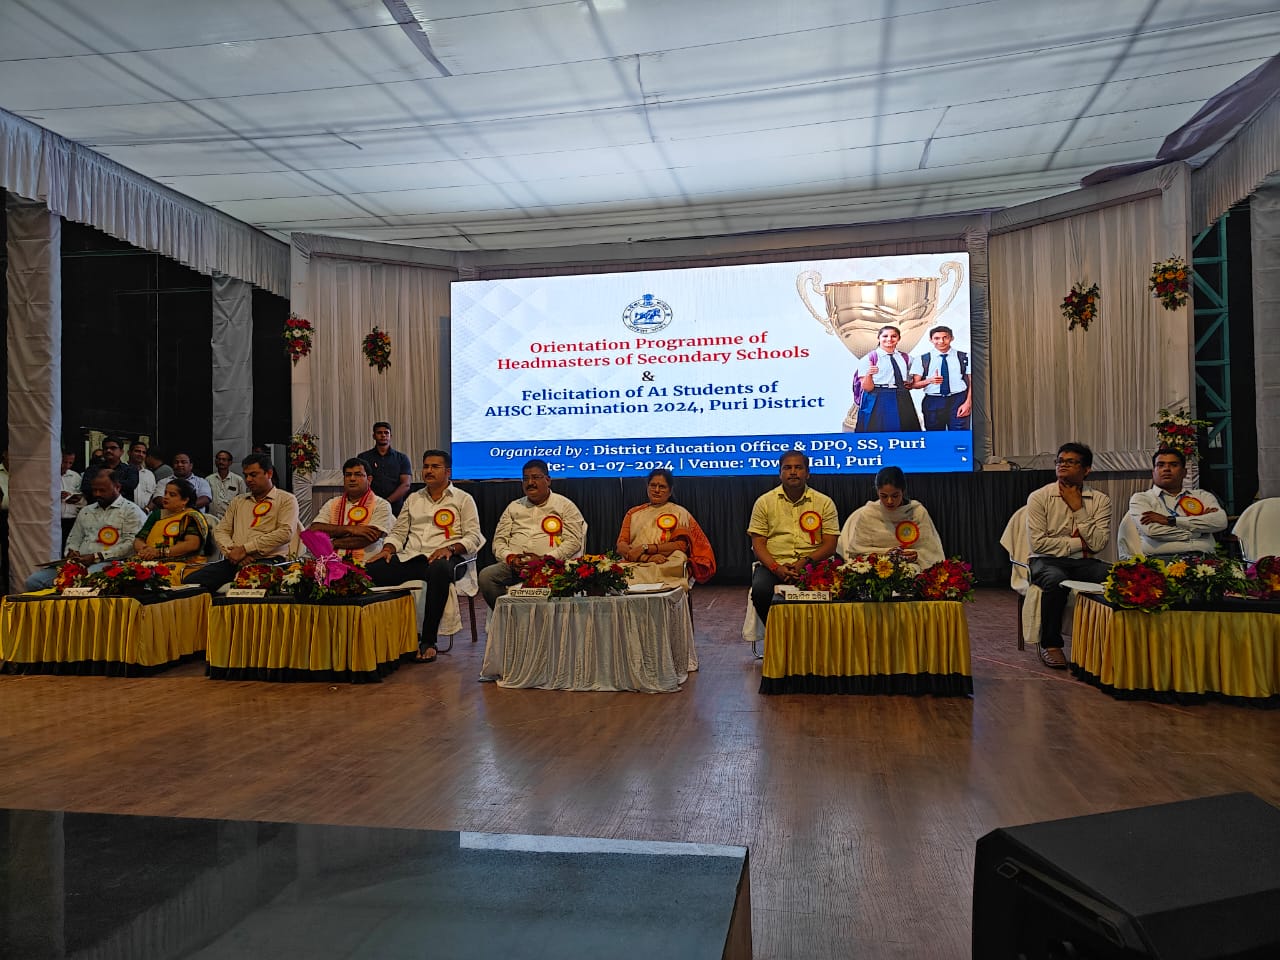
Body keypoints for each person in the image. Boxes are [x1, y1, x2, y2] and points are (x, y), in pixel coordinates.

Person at [366, 449, 484, 662]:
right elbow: (399, 532)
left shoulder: (463, 499)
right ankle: (389, 638)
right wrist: (387, 549)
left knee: (438, 569)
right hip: (414, 557)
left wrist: (450, 549)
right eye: (426, 466)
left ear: (448, 471)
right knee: (370, 570)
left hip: (451, 559)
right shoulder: (413, 499)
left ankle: (428, 639)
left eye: (435, 467)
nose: (428, 471)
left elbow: (473, 536)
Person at [1026, 442, 1111, 669]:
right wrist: (1081, 543)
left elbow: (1099, 544)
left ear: (1086, 470)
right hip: (1044, 560)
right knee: (1055, 579)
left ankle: (1103, 643)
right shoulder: (1039, 497)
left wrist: (1078, 509)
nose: (1062, 465)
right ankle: (1051, 644)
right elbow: (1039, 543)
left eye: (1071, 462)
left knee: (1115, 576)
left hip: (1083, 562)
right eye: (1060, 461)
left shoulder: (1101, 500)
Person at [748, 450, 840, 624]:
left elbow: (830, 545)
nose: (792, 472)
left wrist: (804, 562)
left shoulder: (824, 502)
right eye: (787, 468)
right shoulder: (764, 502)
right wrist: (777, 568)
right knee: (760, 591)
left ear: (808, 473)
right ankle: (778, 637)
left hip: (813, 564)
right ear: (780, 473)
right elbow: (758, 544)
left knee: (837, 590)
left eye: (798, 467)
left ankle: (818, 639)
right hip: (774, 566)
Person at [479, 459, 587, 607]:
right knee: (487, 576)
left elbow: (573, 542)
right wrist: (511, 558)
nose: (530, 483)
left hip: (551, 567)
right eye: (525, 479)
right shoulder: (514, 506)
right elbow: (499, 541)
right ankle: (510, 621)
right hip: (516, 567)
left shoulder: (565, 505)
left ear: (548, 480)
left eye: (535, 477)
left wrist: (544, 559)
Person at [185, 453, 300, 591]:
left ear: (269, 473)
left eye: (253, 475)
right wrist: (234, 553)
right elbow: (221, 530)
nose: (248, 480)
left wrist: (245, 549)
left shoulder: (286, 499)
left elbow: (285, 533)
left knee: (246, 585)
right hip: (235, 560)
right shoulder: (238, 501)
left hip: (270, 561)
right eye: (246, 475)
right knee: (190, 583)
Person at [24, 470, 148, 591]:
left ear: (117, 487)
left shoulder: (132, 511)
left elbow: (131, 545)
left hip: (111, 562)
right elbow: (74, 538)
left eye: (102, 490)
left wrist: (96, 556)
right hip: (79, 563)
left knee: (86, 580)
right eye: (95, 490)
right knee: (33, 582)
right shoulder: (86, 510)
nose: (97, 494)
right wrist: (71, 552)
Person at [615, 468, 716, 587]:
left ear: (670, 490)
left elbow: (681, 546)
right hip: (636, 560)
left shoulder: (679, 512)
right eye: (653, 485)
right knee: (615, 570)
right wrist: (647, 558)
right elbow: (621, 546)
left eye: (662, 487)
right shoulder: (633, 513)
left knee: (677, 560)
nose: (656, 490)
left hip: (665, 561)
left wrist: (646, 547)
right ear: (647, 487)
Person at [1126, 448, 1227, 558]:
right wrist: (1200, 530)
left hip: (1204, 560)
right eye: (1160, 465)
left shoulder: (1202, 496)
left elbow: (1220, 521)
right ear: (1153, 472)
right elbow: (1153, 531)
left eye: (1173, 465)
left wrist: (1170, 520)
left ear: (1184, 472)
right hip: (1162, 561)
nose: (1166, 469)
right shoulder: (1141, 498)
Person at [837, 466, 944, 568]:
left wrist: (917, 555)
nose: (889, 501)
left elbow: (931, 551)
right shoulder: (869, 513)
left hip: (913, 570)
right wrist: (884, 554)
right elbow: (857, 552)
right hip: (876, 569)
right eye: (884, 496)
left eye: (895, 496)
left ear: (903, 491)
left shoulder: (917, 512)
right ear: (877, 491)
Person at [308, 457, 395, 561]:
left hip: (368, 564)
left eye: (358, 474)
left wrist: (334, 543)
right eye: (348, 475)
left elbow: (370, 537)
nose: (352, 478)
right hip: (331, 563)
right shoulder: (332, 503)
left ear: (369, 479)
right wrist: (351, 529)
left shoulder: (381, 504)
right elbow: (314, 530)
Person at [133, 477, 210, 583]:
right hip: (150, 561)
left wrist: (159, 552)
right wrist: (146, 550)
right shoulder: (157, 515)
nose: (166, 497)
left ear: (185, 500)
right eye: (165, 493)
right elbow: (139, 539)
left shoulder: (191, 516)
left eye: (172, 495)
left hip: (185, 565)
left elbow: (192, 544)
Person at [853, 325, 922, 432]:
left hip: (901, 396)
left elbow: (918, 375)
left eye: (894, 336)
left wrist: (913, 384)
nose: (889, 339)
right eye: (885, 336)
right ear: (879, 338)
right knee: (875, 431)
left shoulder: (906, 358)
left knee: (905, 430)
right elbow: (867, 388)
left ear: (898, 339)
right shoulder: (869, 359)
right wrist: (869, 374)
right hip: (877, 397)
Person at [910, 325, 971, 431]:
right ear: (931, 340)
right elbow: (915, 385)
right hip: (933, 401)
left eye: (945, 337)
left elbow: (972, 382)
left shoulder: (964, 357)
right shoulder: (922, 359)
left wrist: (968, 403)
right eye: (937, 338)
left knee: (959, 436)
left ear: (952, 338)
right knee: (935, 436)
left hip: (958, 399)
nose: (941, 341)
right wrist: (930, 380)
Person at [358, 421, 413, 515]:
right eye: (379, 433)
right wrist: (374, 501)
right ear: (374, 436)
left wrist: (387, 501)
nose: (383, 435)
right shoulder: (363, 457)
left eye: (386, 433)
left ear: (390, 436)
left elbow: (406, 484)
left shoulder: (402, 458)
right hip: (370, 505)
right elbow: (360, 482)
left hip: (395, 507)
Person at [81, 437, 139, 502]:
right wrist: (114, 485)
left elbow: (130, 486)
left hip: (122, 509)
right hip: (96, 508)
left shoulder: (130, 470)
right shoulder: (92, 469)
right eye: (106, 448)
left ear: (121, 452)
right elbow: (86, 488)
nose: (108, 450)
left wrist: (101, 484)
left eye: (113, 448)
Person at [205, 449, 246, 520]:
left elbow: (243, 501)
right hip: (213, 519)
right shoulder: (208, 479)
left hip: (231, 519)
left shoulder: (238, 480)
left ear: (230, 462)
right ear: (215, 461)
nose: (221, 462)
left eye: (224, 459)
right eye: (219, 459)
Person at [59, 451, 85, 548]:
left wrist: (76, 498)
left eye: (70, 463)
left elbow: (83, 499)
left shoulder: (75, 476)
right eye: (64, 462)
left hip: (72, 520)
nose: (67, 466)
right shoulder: (48, 475)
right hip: (54, 520)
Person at [129, 441, 157, 509]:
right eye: (137, 451)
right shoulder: (122, 471)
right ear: (129, 453)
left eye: (143, 452)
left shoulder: (150, 474)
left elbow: (154, 495)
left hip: (145, 515)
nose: (140, 454)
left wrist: (147, 510)